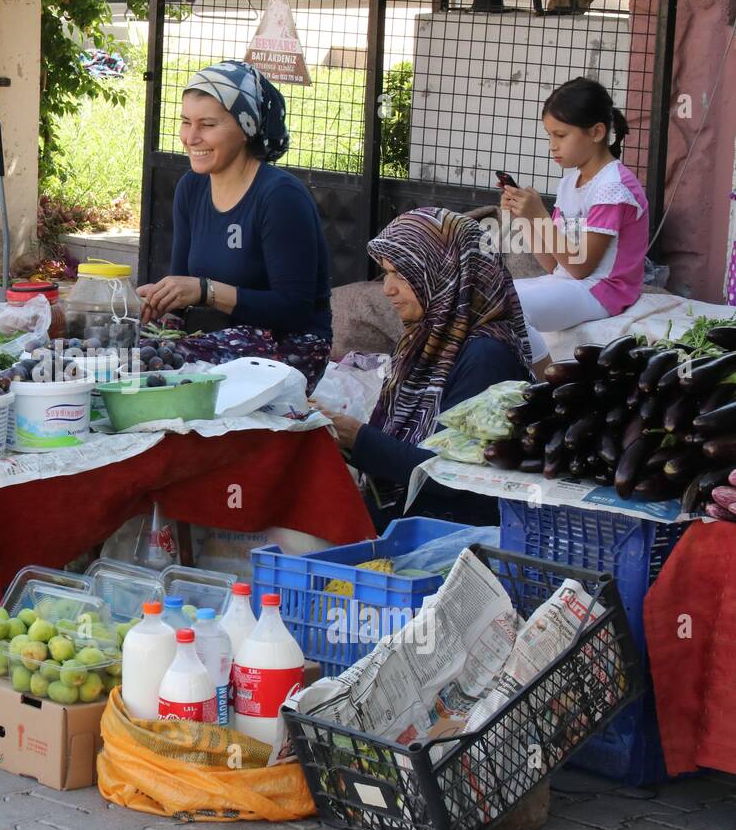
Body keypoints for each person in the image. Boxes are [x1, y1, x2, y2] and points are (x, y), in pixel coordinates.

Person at [320, 208, 533, 527]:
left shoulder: (486, 356)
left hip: (450, 532)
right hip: (410, 517)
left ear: (445, 277)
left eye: (402, 275)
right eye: (386, 273)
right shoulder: (427, 339)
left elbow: (449, 476)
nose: (387, 288)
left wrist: (357, 438)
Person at [136, 60, 332, 382]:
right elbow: (184, 286)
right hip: (214, 334)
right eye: (186, 122)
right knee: (123, 352)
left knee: (171, 366)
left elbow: (294, 309)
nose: (190, 137)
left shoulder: (280, 197)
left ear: (245, 128)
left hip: (291, 346)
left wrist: (206, 291)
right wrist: (158, 300)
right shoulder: (191, 187)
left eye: (208, 125)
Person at [500, 77, 648, 364]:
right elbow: (554, 264)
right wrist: (524, 218)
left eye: (561, 135)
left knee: (507, 308)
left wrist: (540, 216)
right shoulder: (570, 182)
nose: (552, 146)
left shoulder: (613, 187)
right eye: (549, 135)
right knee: (485, 297)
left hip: (603, 291)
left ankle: (542, 382)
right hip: (568, 283)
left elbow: (580, 267)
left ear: (596, 132)